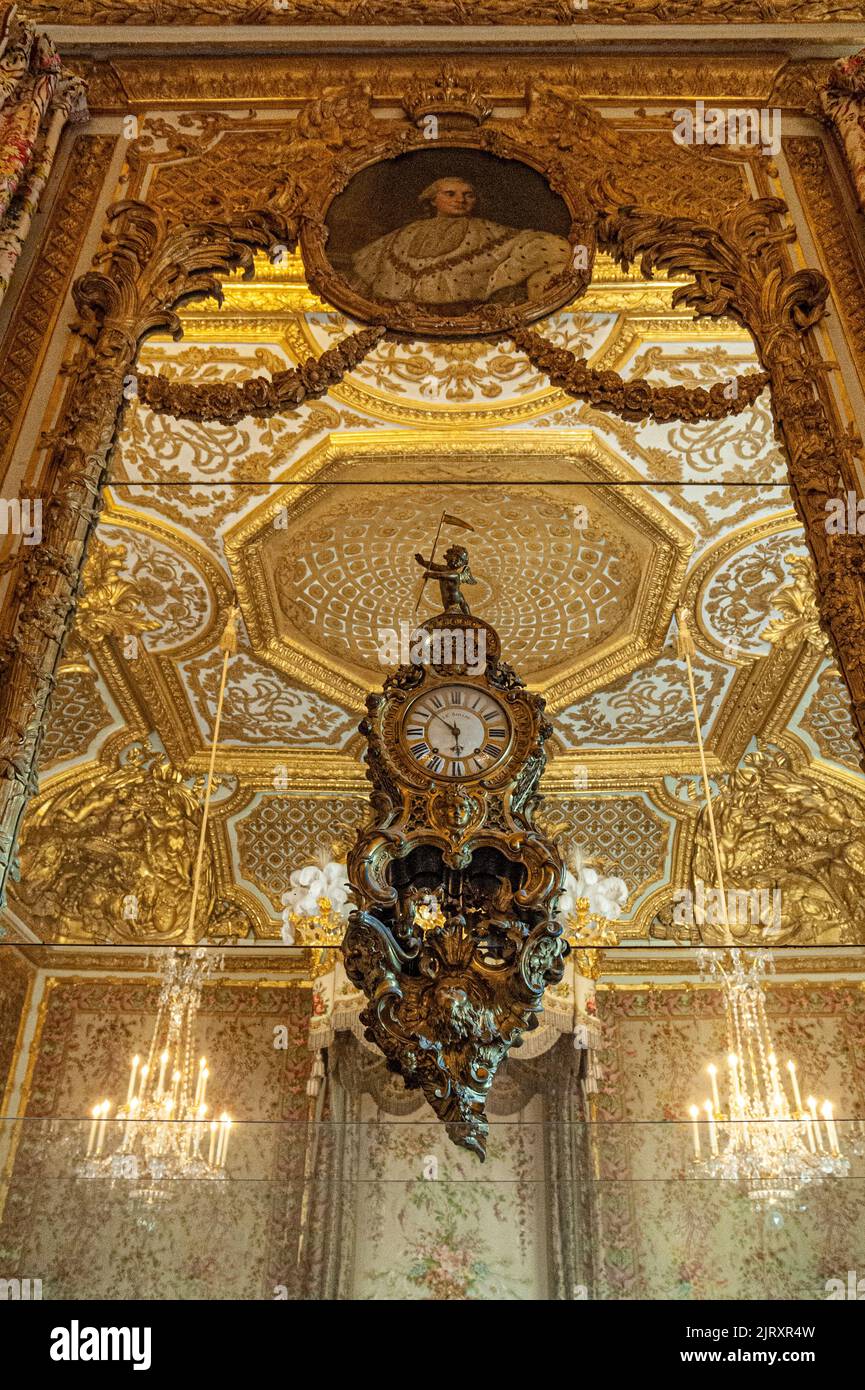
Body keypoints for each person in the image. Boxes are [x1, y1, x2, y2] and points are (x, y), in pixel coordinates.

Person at [348, 176, 571, 311]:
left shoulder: (487, 229)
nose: (460, 200)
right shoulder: (406, 232)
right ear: (433, 199)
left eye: (468, 195)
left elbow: (532, 243)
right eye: (450, 194)